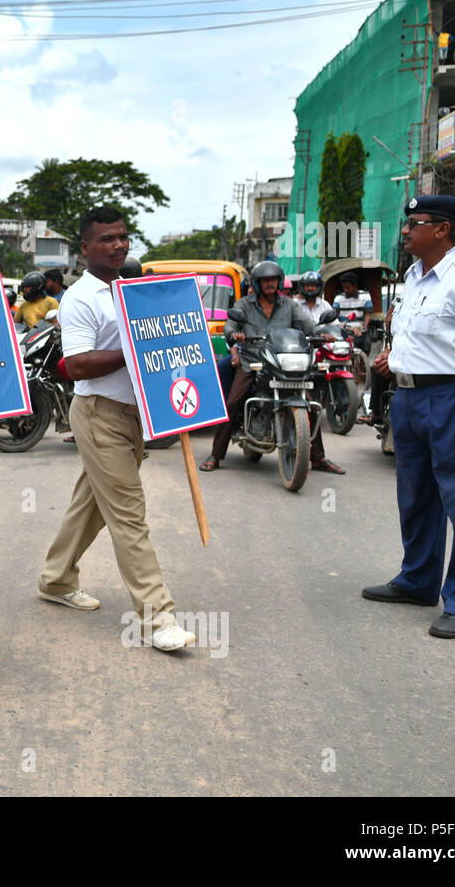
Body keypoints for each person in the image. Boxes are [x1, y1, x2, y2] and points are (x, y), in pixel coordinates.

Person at [38, 206, 196, 651]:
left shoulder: (131, 292)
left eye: (123, 237)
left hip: (132, 416)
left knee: (90, 504)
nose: (118, 245)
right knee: (129, 514)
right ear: (86, 248)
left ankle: (54, 579)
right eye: (107, 239)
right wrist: (137, 346)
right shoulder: (80, 298)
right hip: (98, 414)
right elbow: (78, 364)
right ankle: (159, 618)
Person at [362, 196, 455, 639]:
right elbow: (427, 337)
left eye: (415, 223)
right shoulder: (414, 278)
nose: (406, 231)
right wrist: (396, 357)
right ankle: (418, 581)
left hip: (454, 400)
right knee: (417, 498)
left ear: (442, 230)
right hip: (409, 400)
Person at [199, 259, 345, 474]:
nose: (270, 284)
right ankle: (216, 455)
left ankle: (318, 458)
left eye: (273, 280)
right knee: (233, 402)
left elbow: (306, 324)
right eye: (265, 280)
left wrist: (320, 333)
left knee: (309, 404)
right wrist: (233, 333)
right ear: (256, 283)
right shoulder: (244, 305)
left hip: (282, 361)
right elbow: (231, 323)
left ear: (279, 282)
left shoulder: (289, 305)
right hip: (253, 362)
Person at [332, 270, 373, 348]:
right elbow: (334, 315)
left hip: (359, 329)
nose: (345, 290)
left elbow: (368, 313)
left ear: (355, 285)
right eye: (344, 288)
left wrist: (364, 327)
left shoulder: (365, 296)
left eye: (348, 287)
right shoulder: (338, 298)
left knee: (365, 345)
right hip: (343, 330)